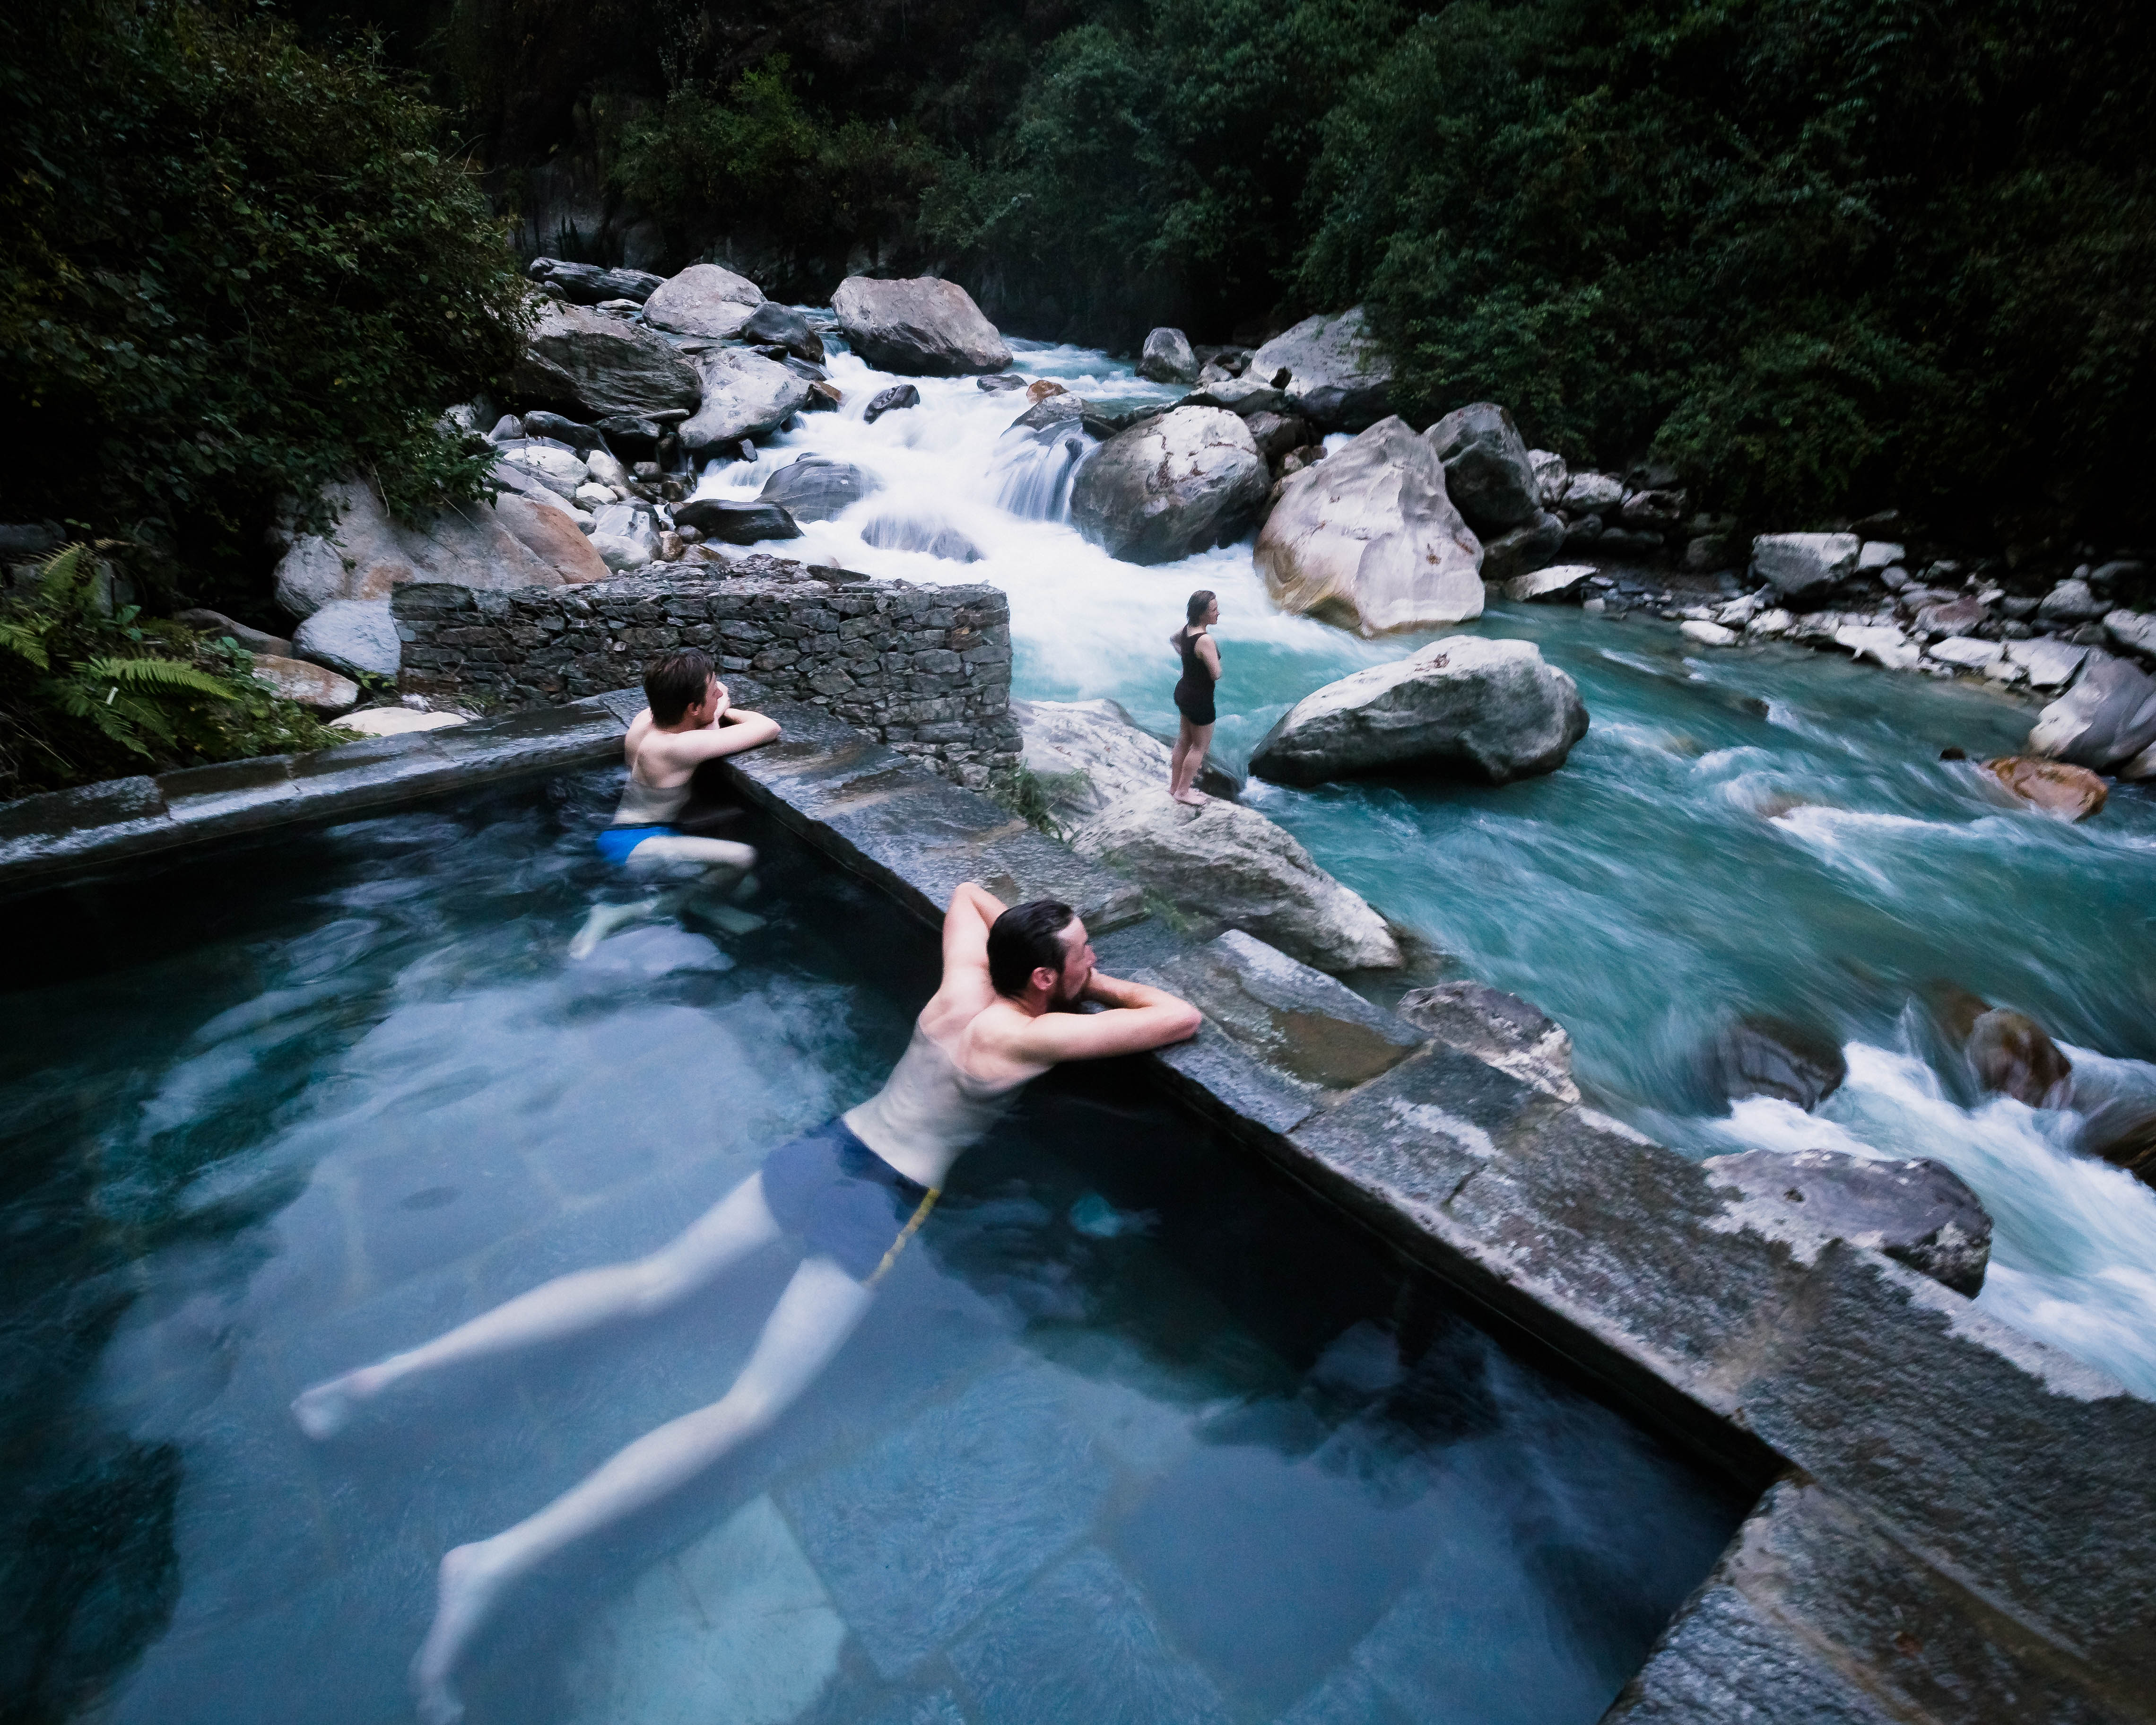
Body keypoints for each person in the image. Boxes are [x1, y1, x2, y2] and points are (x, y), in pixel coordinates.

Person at [291, 884, 1202, 1724]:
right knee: (749, 1407)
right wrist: (1095, 985)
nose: (1093, 960)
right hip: (878, 1200)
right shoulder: (1029, 1035)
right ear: (1043, 978)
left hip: (828, 1147)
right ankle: (495, 1561)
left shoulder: (961, 986)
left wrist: (1036, 949)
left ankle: (381, 1375)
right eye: (1082, 952)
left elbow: (967, 894)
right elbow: (1180, 1017)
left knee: (653, 1278)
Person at [569, 649, 782, 958]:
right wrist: (723, 710)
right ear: (693, 707)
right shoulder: (678, 747)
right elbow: (769, 727)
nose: (719, 695)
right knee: (742, 858)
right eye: (712, 693)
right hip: (636, 842)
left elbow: (710, 716)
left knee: (746, 885)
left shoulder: (646, 721)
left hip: (634, 832)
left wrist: (711, 708)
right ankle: (619, 913)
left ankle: (701, 902)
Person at [1168, 589, 1221, 806]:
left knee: (1183, 741)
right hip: (1200, 699)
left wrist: (1189, 661)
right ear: (1202, 614)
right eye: (1214, 610)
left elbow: (1173, 640)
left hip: (1184, 692)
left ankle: (1174, 788)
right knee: (1199, 747)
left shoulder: (1186, 630)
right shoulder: (1205, 639)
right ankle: (1183, 792)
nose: (1218, 613)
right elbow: (1216, 673)